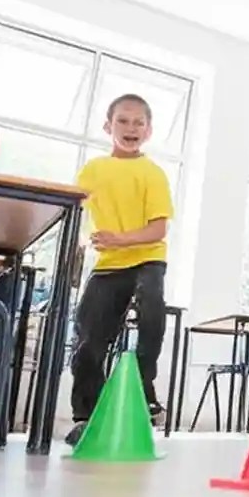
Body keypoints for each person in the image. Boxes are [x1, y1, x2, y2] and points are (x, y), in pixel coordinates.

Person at [66, 94, 173, 446]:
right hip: (109, 264)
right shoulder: (93, 170)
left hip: (146, 258)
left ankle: (144, 387)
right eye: (123, 121)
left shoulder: (152, 173)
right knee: (88, 340)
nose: (130, 128)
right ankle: (86, 416)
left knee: (152, 309)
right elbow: (76, 214)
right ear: (107, 126)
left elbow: (158, 230)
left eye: (138, 122)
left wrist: (119, 239)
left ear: (149, 130)